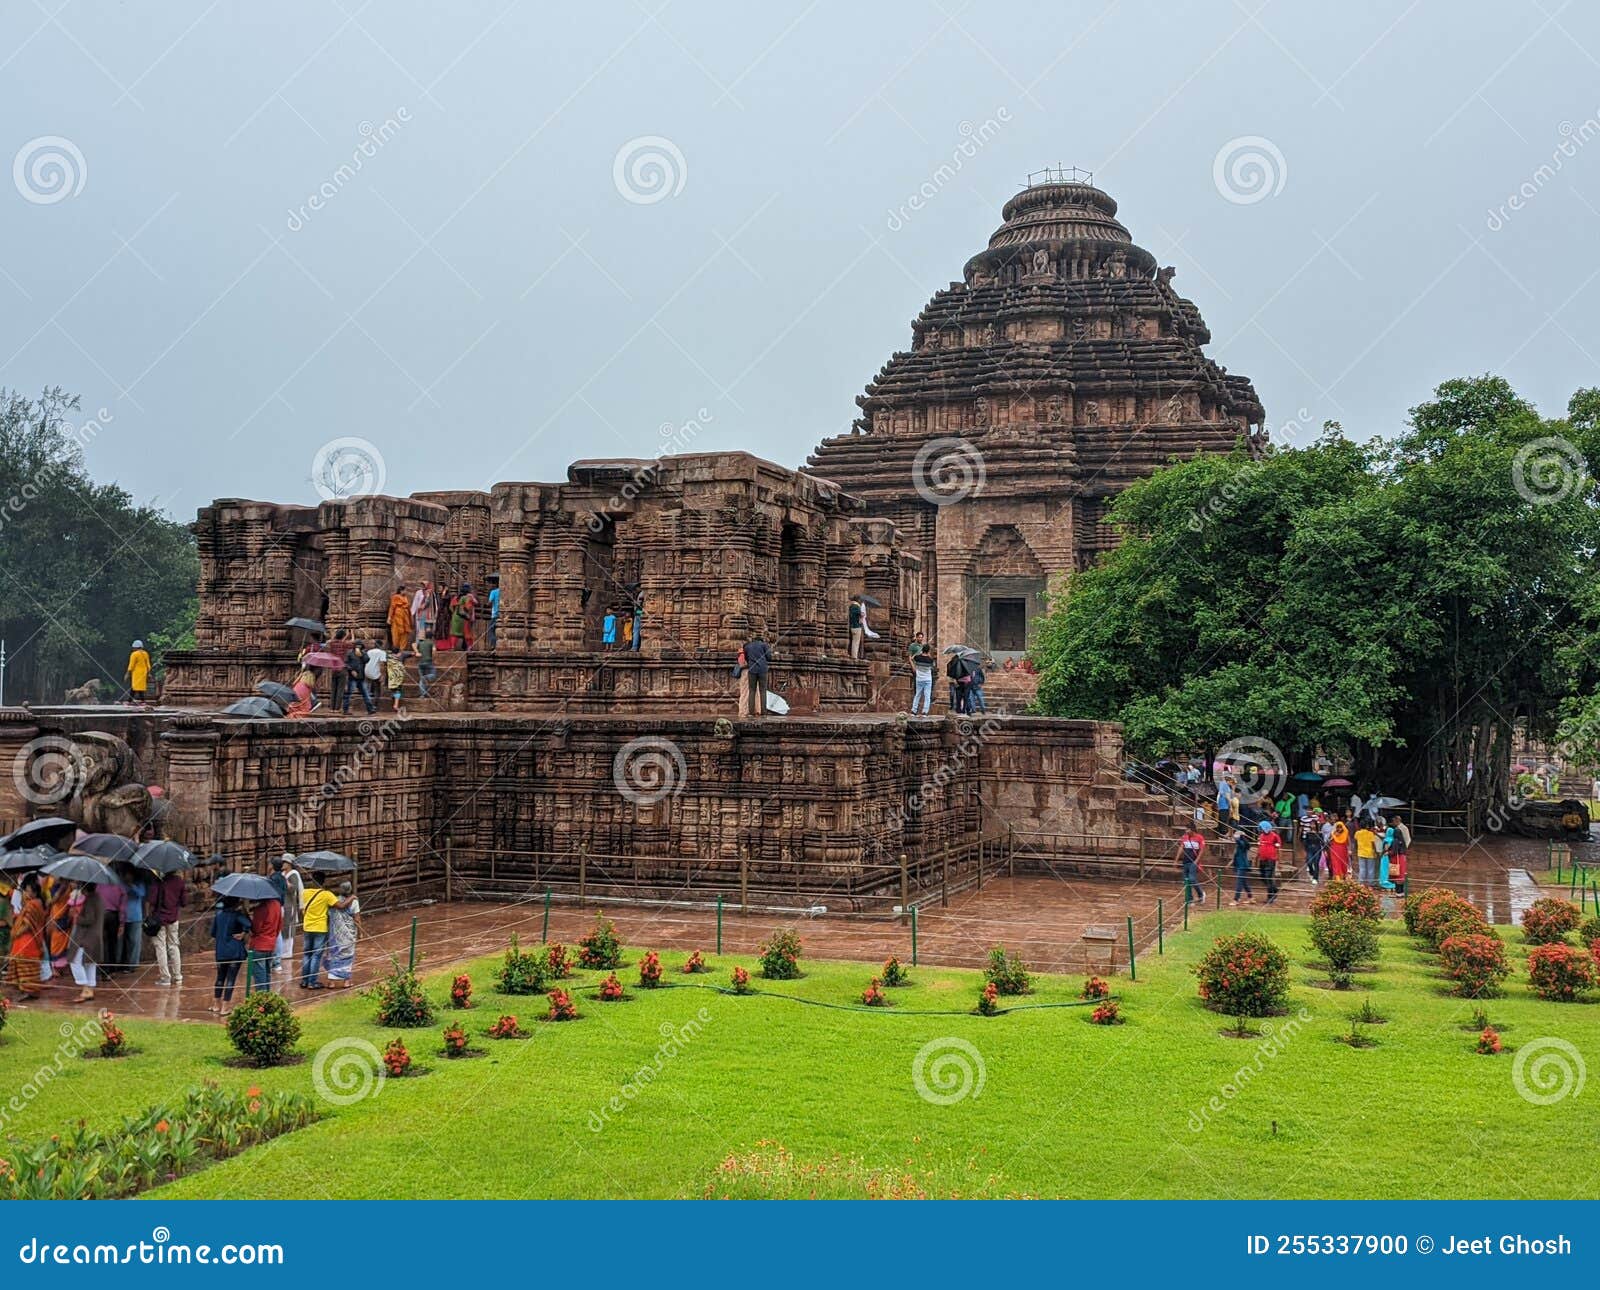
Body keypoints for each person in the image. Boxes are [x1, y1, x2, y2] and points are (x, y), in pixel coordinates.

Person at [5, 874, 47, 998]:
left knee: (24, 964)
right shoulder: (38, 902)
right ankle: (29, 990)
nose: (24, 893)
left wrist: (17, 932)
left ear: (33, 890)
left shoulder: (32, 904)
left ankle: (28, 990)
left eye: (26, 890)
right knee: (26, 964)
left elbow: (28, 924)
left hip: (26, 940)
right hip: (31, 940)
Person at [208, 897, 251, 1014]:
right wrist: (243, 933)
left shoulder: (218, 915)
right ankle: (225, 1007)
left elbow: (213, 933)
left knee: (220, 978)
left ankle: (217, 1004)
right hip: (234, 951)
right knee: (231, 979)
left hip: (221, 951)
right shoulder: (237, 915)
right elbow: (249, 924)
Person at [67, 881, 105, 1002]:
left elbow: (89, 919)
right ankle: (89, 989)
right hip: (95, 936)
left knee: (75, 961)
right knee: (89, 963)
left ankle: (85, 987)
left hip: (87, 937)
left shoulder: (90, 900)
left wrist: (76, 916)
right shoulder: (98, 898)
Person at [299, 877, 339, 989]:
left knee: (307, 954)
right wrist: (352, 898)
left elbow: (302, 909)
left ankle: (304, 980)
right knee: (316, 956)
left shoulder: (305, 892)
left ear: (312, 881)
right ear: (323, 882)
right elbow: (340, 905)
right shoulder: (327, 894)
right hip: (320, 928)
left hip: (307, 927)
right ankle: (312, 982)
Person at [152, 868, 186, 986]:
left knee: (160, 946)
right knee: (174, 945)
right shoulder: (180, 881)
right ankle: (178, 975)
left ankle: (165, 977)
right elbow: (184, 902)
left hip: (160, 918)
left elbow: (152, 900)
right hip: (174, 917)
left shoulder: (159, 882)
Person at [323, 883, 362, 987]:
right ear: (350, 889)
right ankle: (346, 981)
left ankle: (331, 982)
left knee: (334, 954)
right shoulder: (354, 901)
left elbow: (329, 915)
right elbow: (357, 919)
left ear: (340, 890)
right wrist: (360, 933)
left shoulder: (334, 900)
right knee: (348, 955)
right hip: (349, 934)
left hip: (335, 934)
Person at [271, 855, 303, 976]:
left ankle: (287, 951)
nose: (283, 864)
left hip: (290, 904)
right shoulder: (282, 874)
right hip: (283, 904)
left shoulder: (293, 874)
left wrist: (286, 883)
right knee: (282, 928)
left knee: (289, 928)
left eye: (284, 862)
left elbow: (293, 888)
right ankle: (282, 951)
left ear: (289, 863)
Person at [247, 894, 282, 994]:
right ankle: (266, 998)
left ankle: (261, 1000)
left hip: (259, 945)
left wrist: (250, 920)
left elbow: (256, 929)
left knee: (260, 976)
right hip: (271, 944)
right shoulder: (277, 905)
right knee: (267, 974)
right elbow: (279, 925)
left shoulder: (260, 909)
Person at [741, 630, 772, 718]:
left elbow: (746, 658)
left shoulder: (747, 646)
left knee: (752, 690)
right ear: (761, 639)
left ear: (753, 639)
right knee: (763, 691)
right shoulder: (764, 645)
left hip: (752, 669)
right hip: (762, 670)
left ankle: (751, 712)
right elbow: (769, 657)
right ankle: (763, 711)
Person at [341, 641, 376, 715]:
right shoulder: (349, 653)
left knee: (366, 693)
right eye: (357, 646)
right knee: (348, 693)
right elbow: (345, 663)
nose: (358, 647)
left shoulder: (363, 653)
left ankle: (370, 709)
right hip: (352, 677)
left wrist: (361, 655)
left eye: (360, 646)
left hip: (361, 677)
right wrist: (351, 670)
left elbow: (367, 660)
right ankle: (345, 709)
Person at [1176, 825, 1208, 906]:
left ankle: (1201, 894)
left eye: (1188, 829)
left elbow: (1202, 850)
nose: (1186, 831)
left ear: (1192, 830)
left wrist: (1196, 861)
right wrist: (1176, 860)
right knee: (1186, 881)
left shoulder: (1199, 838)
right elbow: (1181, 848)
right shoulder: (1184, 837)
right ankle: (1189, 900)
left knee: (1192, 879)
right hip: (1185, 861)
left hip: (1193, 862)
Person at [1257, 822, 1282, 905]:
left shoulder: (1274, 836)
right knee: (1262, 876)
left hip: (1271, 860)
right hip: (1262, 859)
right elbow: (1259, 847)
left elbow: (1278, 848)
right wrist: (1256, 858)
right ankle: (1274, 889)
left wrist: (1279, 861)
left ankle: (1270, 896)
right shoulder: (1261, 836)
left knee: (1268, 878)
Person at [909, 636, 934, 715]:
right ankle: (925, 712)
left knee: (917, 694)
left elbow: (912, 658)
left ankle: (914, 710)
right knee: (927, 696)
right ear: (928, 651)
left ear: (922, 649)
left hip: (919, 679)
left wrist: (914, 667)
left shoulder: (917, 658)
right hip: (928, 679)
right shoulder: (930, 660)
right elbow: (932, 667)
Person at [1229, 829, 1255, 907]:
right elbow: (1236, 856)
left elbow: (1240, 843)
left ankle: (1236, 899)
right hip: (1239, 865)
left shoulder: (1243, 844)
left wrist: (1237, 839)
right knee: (1244, 882)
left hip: (1242, 866)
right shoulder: (1239, 845)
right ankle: (1251, 897)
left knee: (1239, 883)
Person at [388, 585, 414, 652]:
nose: (406, 592)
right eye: (405, 590)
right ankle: (396, 648)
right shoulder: (395, 597)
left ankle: (402, 649)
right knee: (396, 633)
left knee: (405, 633)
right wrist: (389, 617)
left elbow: (408, 608)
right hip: (397, 617)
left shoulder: (405, 597)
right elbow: (392, 607)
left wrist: (411, 619)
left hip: (405, 617)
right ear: (401, 590)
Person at [1354, 818, 1379, 885]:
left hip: (1361, 853)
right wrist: (1376, 852)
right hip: (1370, 853)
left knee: (1362, 868)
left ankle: (1361, 882)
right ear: (1367, 826)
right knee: (1370, 869)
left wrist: (1356, 850)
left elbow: (1356, 843)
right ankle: (1371, 882)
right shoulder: (1370, 833)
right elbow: (1373, 844)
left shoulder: (1357, 833)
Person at [1390, 815, 1411, 893]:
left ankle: (1398, 892)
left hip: (1397, 858)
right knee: (1401, 874)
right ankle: (1401, 891)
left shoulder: (1403, 829)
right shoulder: (1398, 839)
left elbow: (1407, 839)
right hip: (1401, 856)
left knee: (1397, 875)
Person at [1377, 815, 1396, 890]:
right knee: (1391, 871)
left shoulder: (1387, 840)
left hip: (1386, 857)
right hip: (1392, 857)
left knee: (1384, 871)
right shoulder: (1394, 840)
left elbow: (1385, 849)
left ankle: (1385, 884)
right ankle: (1393, 885)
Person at [415, 635, 437, 699]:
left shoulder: (420, 642)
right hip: (428, 662)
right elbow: (434, 651)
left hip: (420, 663)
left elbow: (413, 645)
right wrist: (434, 658)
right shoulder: (431, 642)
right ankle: (425, 677)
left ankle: (422, 695)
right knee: (433, 675)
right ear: (432, 637)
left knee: (422, 679)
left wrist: (417, 651)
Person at [486, 574, 500, 650]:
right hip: (503, 614)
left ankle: (493, 645)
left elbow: (490, 603)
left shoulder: (493, 592)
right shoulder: (505, 590)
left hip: (495, 614)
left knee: (491, 630)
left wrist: (486, 604)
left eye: (492, 583)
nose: (490, 585)